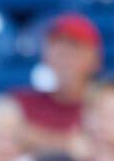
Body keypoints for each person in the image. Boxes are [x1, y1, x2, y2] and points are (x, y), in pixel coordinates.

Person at [9, 13, 102, 153]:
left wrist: (35, 138)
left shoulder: (104, 106)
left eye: (74, 46)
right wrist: (67, 144)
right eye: (57, 46)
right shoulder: (22, 102)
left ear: (94, 59)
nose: (64, 55)